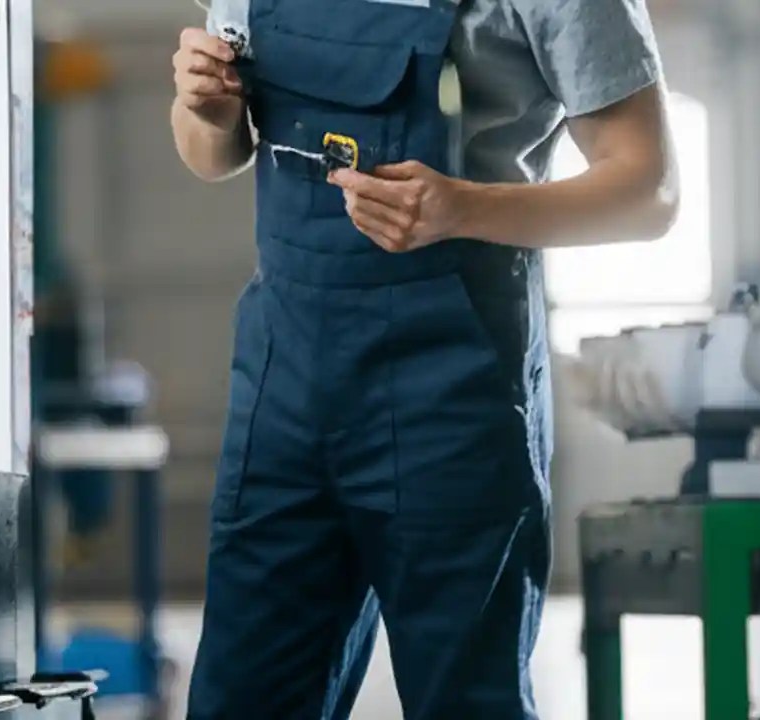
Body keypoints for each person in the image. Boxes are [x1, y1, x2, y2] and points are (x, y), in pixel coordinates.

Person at [171, 0, 677, 715]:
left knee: (467, 700)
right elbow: (213, 151)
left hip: (450, 385)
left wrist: (461, 209)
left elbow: (648, 188)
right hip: (283, 382)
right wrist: (206, 112)